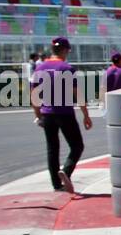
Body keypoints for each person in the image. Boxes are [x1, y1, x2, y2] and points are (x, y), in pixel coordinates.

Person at [32, 36, 92, 193]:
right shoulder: (66, 68)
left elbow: (33, 95)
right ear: (65, 50)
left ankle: (56, 185)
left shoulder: (39, 68)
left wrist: (38, 115)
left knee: (52, 149)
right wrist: (86, 115)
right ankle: (66, 171)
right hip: (64, 113)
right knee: (77, 146)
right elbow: (77, 93)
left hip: (47, 114)